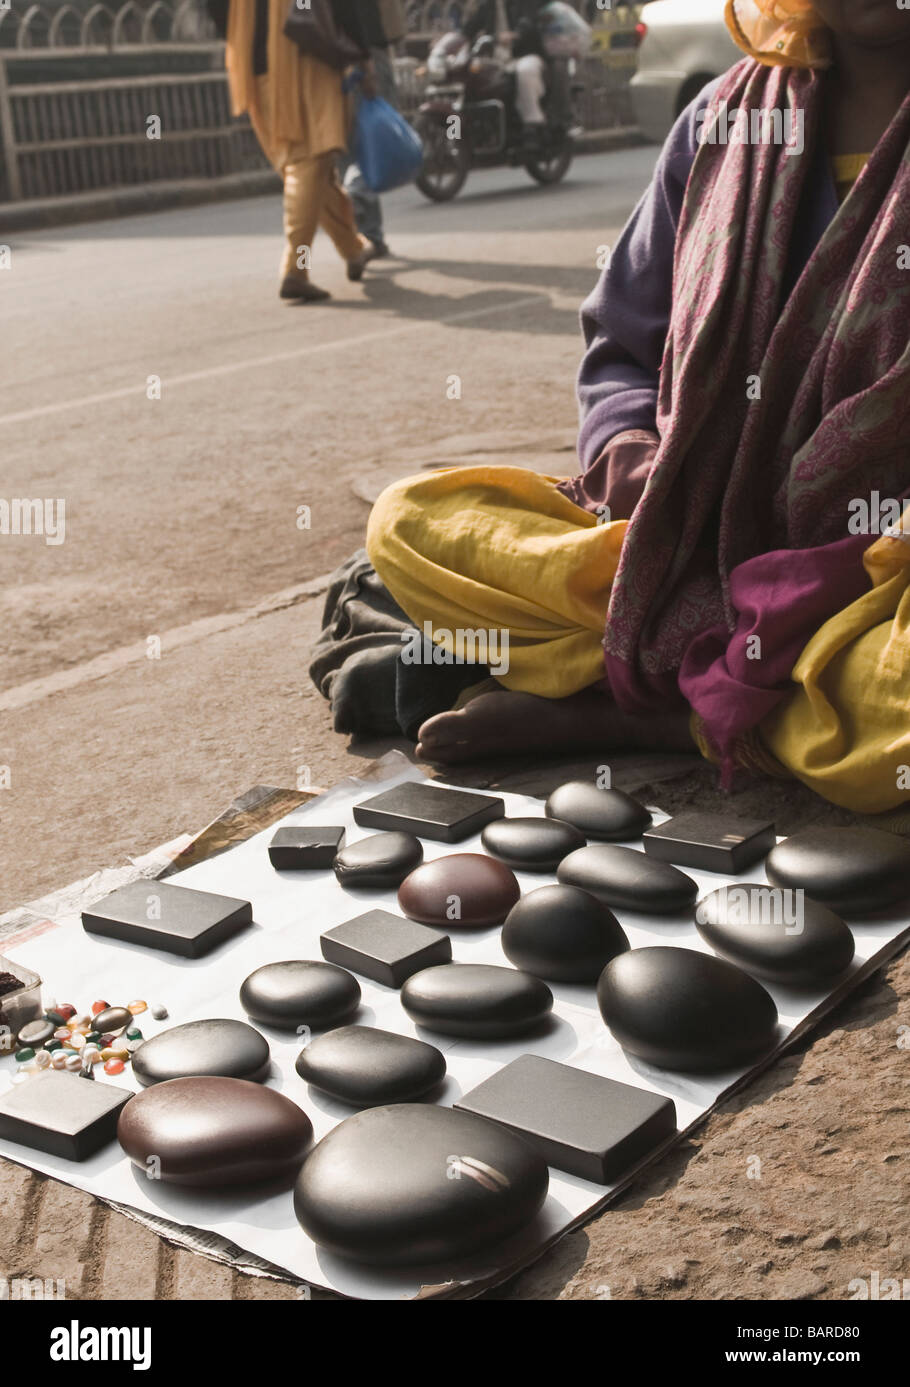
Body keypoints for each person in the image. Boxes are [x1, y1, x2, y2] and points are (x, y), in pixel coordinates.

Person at [361, 0, 910, 815]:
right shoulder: (725, 120)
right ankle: (742, 686)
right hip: (684, 546)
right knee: (410, 523)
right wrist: (629, 452)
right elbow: (623, 342)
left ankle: (656, 714)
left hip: (874, 572)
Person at [208, 0, 378, 302]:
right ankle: (296, 269)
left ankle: (352, 248)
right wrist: (363, 54)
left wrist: (243, 30)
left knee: (310, 165)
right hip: (307, 52)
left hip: (255, 57)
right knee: (309, 161)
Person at [336, 0, 407, 259]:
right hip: (362, 48)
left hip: (329, 53)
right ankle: (366, 229)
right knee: (367, 142)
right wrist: (366, 64)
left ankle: (366, 235)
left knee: (349, 144)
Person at [463, 0, 549, 133]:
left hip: (524, 55)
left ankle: (532, 122)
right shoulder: (488, 5)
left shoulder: (526, 3)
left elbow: (528, 21)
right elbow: (468, 29)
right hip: (495, 60)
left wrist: (515, 34)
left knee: (525, 71)